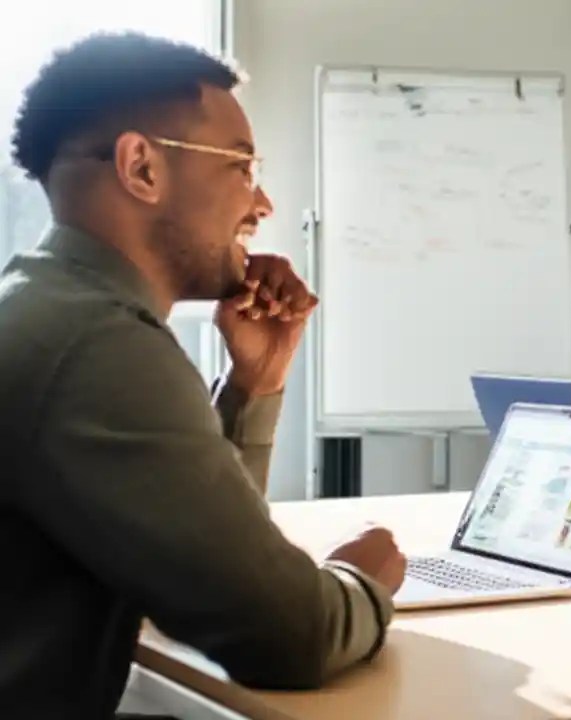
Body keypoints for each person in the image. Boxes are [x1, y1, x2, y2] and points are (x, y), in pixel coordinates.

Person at [0, 33, 407, 717]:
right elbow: (289, 635)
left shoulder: (44, 303)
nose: (263, 203)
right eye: (241, 166)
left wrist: (255, 385)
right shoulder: (98, 345)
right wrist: (362, 581)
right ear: (141, 167)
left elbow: (202, 566)